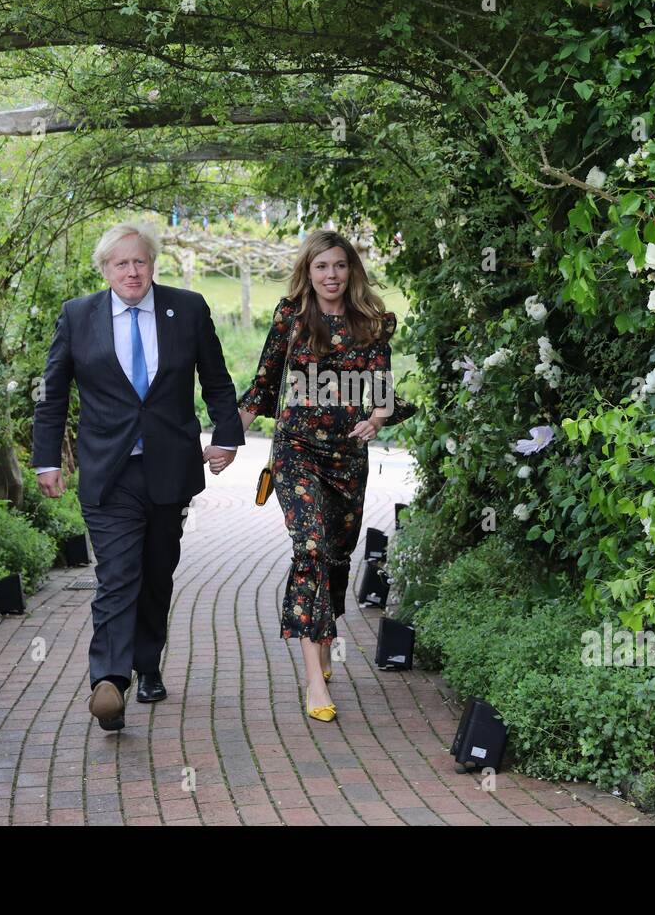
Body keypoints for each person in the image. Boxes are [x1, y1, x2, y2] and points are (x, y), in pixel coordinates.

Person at [31, 222, 243, 731]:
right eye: (121, 263)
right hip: (109, 473)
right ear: (105, 269)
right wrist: (46, 459)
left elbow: (216, 379)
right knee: (117, 575)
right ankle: (109, 681)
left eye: (140, 261)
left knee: (156, 573)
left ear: (153, 265)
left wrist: (228, 436)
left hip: (169, 469)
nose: (132, 271)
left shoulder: (186, 309)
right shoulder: (78, 316)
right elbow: (52, 392)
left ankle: (147, 663)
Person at [237, 230, 415, 723]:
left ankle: (325, 628)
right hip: (296, 450)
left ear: (350, 270)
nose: (331, 275)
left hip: (347, 456)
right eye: (321, 267)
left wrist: (377, 419)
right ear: (308, 272)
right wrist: (228, 438)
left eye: (339, 266)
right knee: (310, 546)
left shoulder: (373, 322)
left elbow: (381, 389)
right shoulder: (290, 316)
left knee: (337, 553)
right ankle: (314, 677)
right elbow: (264, 384)